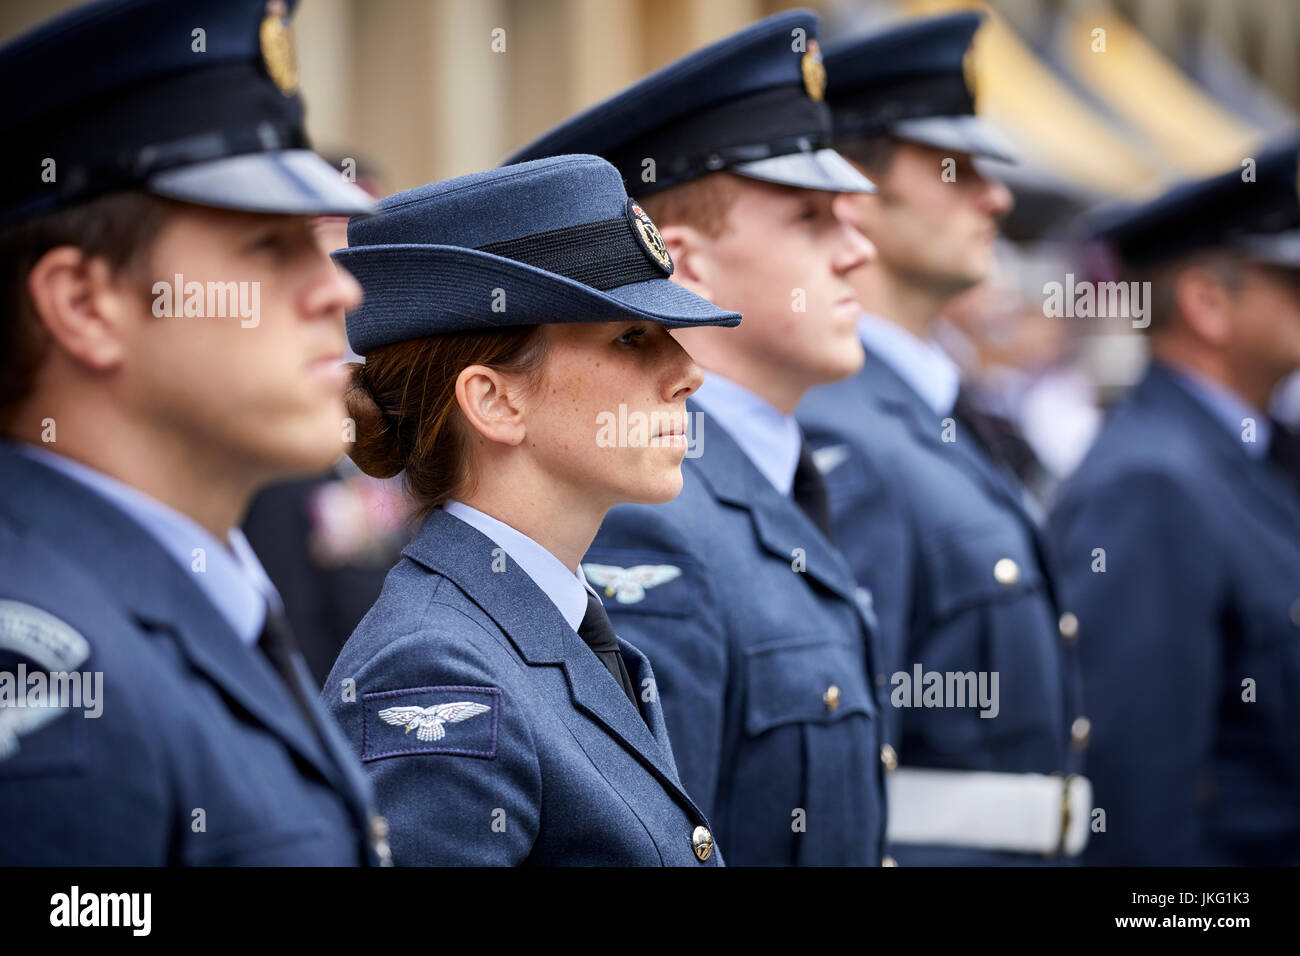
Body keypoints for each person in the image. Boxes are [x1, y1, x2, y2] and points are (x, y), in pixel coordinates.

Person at [0, 0, 389, 865]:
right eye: (267, 247)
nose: (340, 293)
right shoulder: (53, 676)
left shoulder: (191, 591)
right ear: (82, 305)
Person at [507, 11, 888, 866]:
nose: (859, 250)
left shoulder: (777, 478)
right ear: (686, 262)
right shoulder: (651, 507)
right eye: (812, 219)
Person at [322, 154, 740, 866]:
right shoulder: (436, 671)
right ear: (495, 401)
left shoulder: (547, 625)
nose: (688, 372)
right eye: (630, 337)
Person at [797, 12, 1090, 865]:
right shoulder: (836, 425)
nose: (995, 196)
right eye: (953, 170)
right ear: (854, 183)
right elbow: (843, 754)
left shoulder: (925, 405)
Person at [1050, 137, 1300, 865]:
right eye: (1289, 280)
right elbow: (1135, 795)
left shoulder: (1237, 455)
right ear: (1207, 302)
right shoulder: (1152, 482)